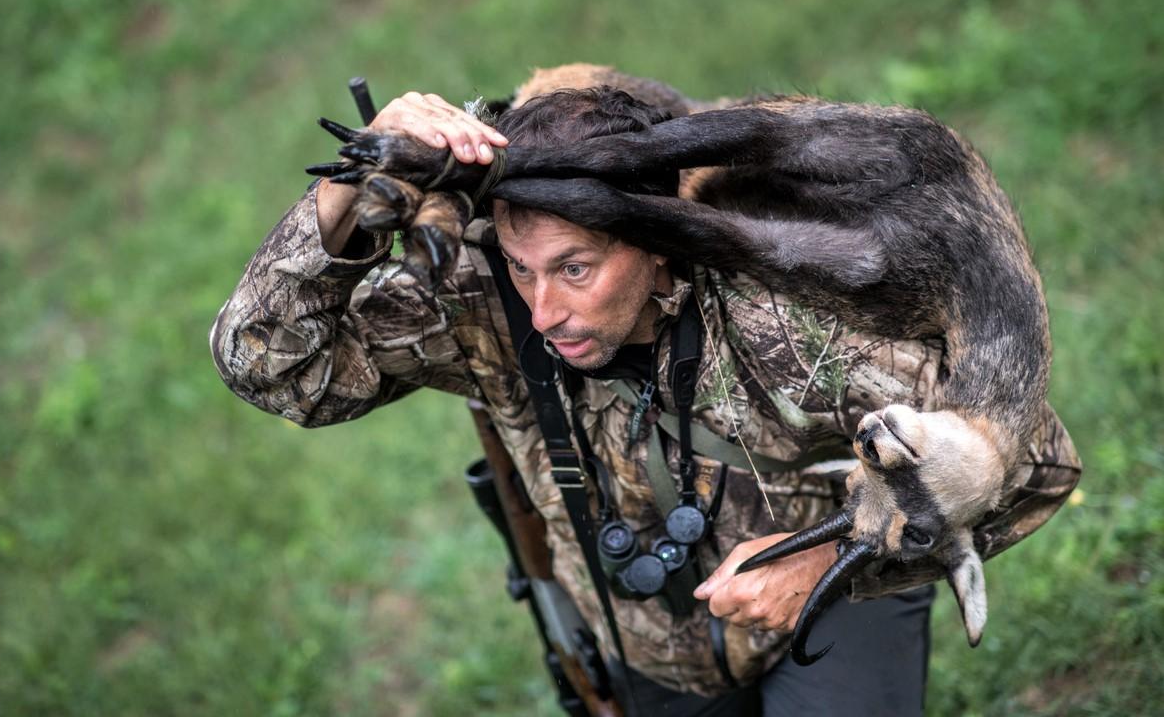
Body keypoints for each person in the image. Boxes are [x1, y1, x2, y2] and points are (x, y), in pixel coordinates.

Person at [210, 66, 1074, 715]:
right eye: (522, 268)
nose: (543, 308)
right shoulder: (483, 300)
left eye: (576, 268)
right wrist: (342, 189)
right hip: (647, 652)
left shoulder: (785, 320)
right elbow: (269, 364)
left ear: (660, 241)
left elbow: (1035, 464)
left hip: (824, 608)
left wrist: (823, 564)